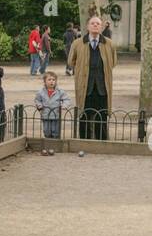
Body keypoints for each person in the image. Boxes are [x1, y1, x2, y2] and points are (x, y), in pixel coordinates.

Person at [69, 12, 116, 140]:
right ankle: (84, 142)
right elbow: (71, 61)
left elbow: (113, 62)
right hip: (85, 86)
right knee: (84, 115)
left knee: (102, 116)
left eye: (98, 23)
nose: (95, 25)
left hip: (103, 87)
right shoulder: (77, 43)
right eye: (92, 23)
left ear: (101, 27)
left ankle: (102, 142)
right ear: (87, 26)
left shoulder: (109, 44)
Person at [34, 71, 73, 154]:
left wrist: (64, 106)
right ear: (44, 81)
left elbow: (67, 99)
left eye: (53, 80)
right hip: (45, 115)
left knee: (55, 131)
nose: (51, 81)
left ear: (56, 81)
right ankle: (48, 145)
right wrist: (39, 105)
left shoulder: (60, 91)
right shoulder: (40, 92)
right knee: (47, 131)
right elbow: (37, 100)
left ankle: (55, 146)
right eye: (49, 80)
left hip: (56, 115)